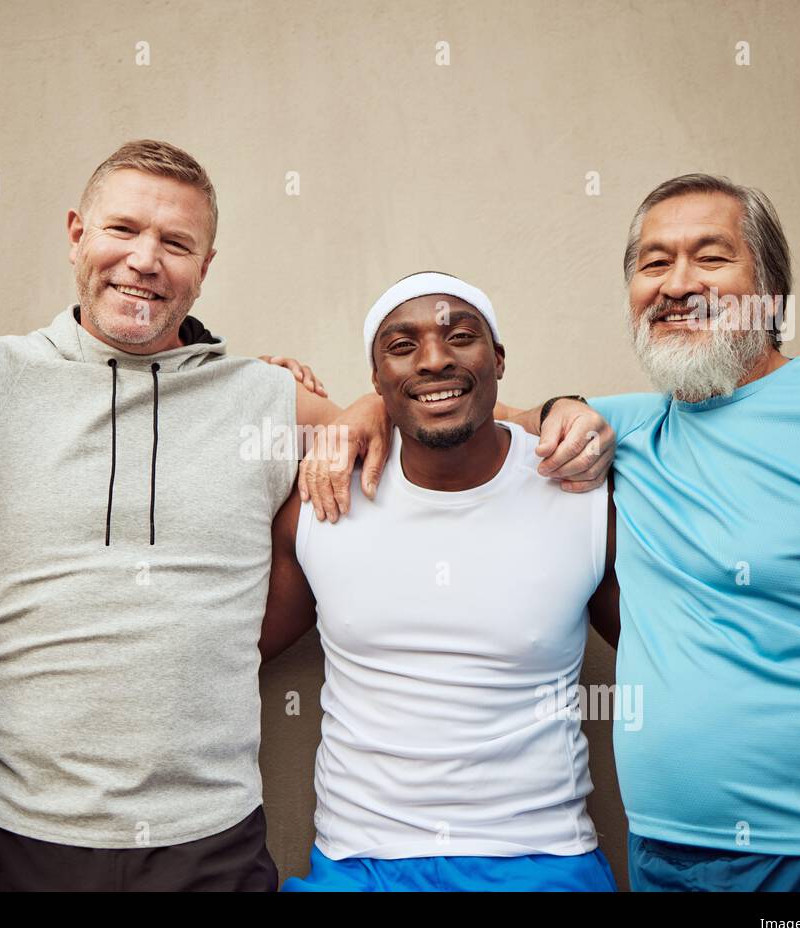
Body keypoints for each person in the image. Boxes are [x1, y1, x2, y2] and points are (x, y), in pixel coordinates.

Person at [0, 141, 613, 891]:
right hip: (13, 830)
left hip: (208, 836)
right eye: (121, 231)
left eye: (175, 243)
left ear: (204, 264)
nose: (143, 262)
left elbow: (428, 409)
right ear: (76, 232)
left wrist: (561, 413)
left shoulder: (259, 398)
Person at [303, 175, 800, 892]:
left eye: (710, 257)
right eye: (654, 263)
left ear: (770, 288)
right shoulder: (625, 432)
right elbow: (457, 403)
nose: (676, 283)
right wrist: (361, 411)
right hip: (666, 855)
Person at [259, 272, 620, 891]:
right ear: (374, 382)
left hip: (541, 861)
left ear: (498, 359)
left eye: (461, 337)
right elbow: (229, 649)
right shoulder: (322, 500)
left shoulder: (583, 495)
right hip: (358, 864)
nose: (435, 359)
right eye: (403, 347)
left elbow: (671, 655)